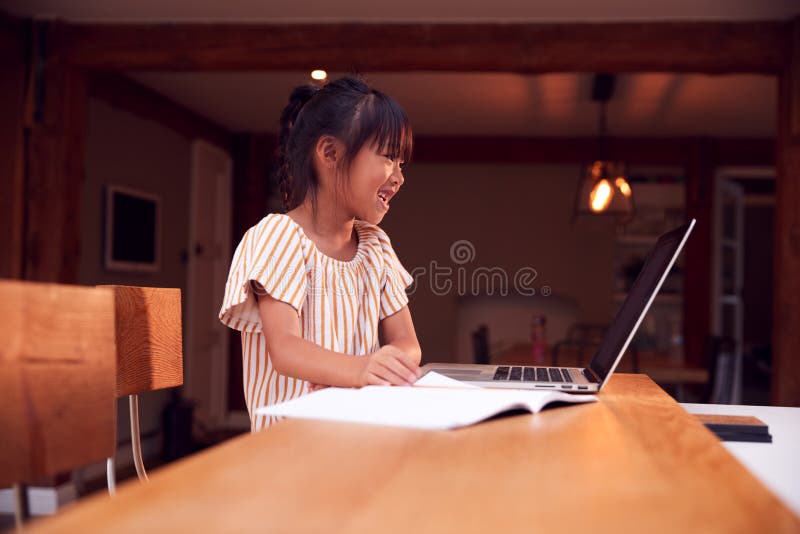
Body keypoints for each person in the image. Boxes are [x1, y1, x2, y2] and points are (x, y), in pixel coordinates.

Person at [219, 76, 422, 431]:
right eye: (389, 157)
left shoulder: (376, 245)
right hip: (289, 453)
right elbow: (285, 349)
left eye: (401, 164)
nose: (399, 177)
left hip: (355, 440)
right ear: (330, 153)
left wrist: (365, 372)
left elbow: (407, 344)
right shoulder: (278, 238)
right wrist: (357, 370)